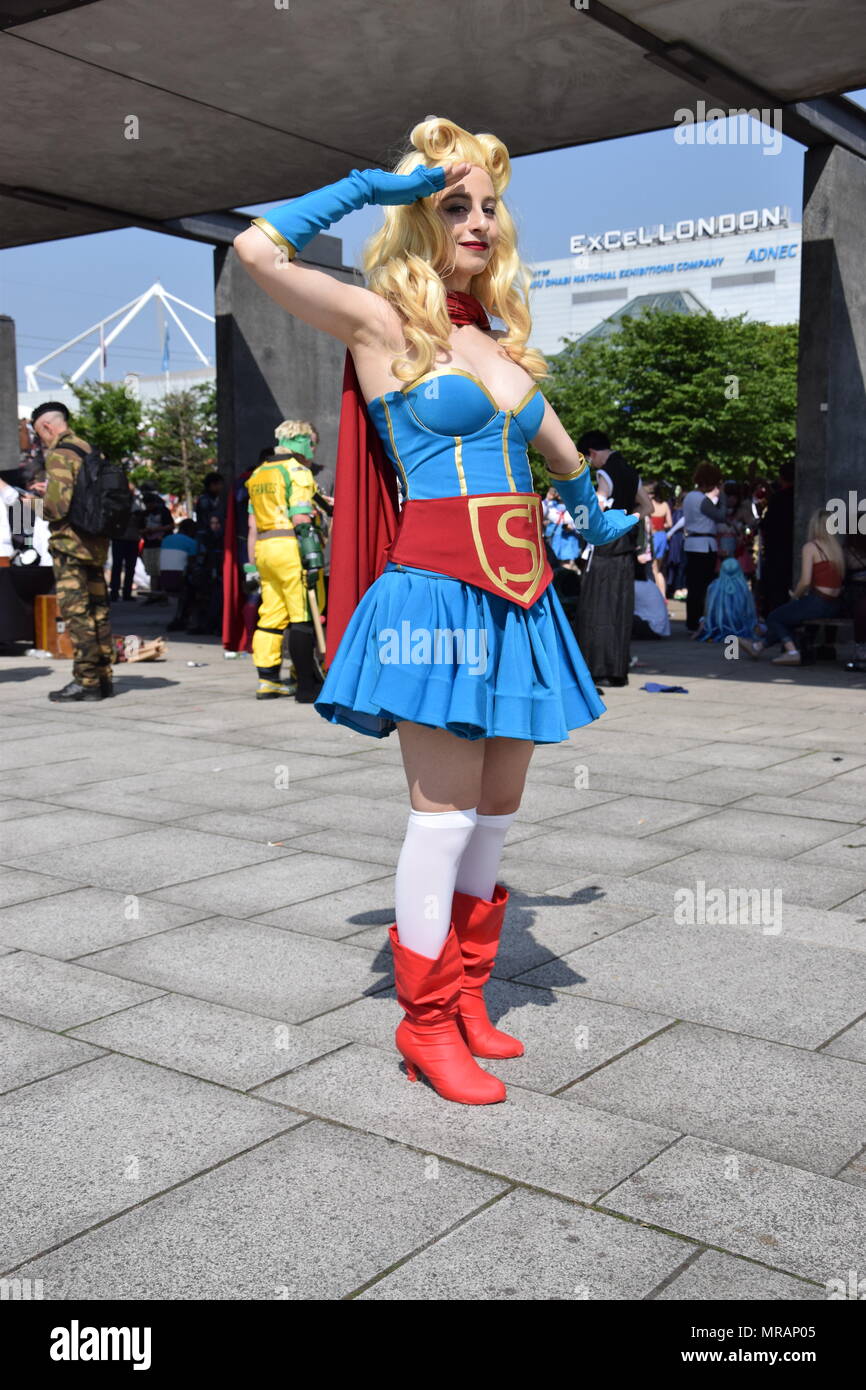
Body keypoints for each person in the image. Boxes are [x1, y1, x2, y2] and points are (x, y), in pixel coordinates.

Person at [233, 115, 637, 1107]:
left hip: (524, 597)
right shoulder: (383, 324)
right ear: (416, 218)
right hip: (437, 595)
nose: (477, 220)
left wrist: (587, 503)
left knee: (494, 822)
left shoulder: (490, 340)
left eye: (488, 205)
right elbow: (254, 250)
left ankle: (463, 999)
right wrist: (371, 182)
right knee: (444, 820)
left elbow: (547, 434)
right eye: (453, 203)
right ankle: (423, 1024)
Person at [30, 401, 114, 701]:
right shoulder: (89, 449)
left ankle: (86, 681)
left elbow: (55, 509)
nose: (42, 440)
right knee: (98, 612)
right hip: (96, 543)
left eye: (40, 435)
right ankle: (104, 677)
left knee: (76, 613)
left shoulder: (61, 454)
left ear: (48, 427)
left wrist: (30, 502)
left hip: (70, 546)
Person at [245, 420, 327, 701]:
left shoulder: (258, 474)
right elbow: (302, 518)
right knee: (302, 614)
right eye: (313, 443)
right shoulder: (297, 472)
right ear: (303, 442)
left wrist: (251, 566)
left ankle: (268, 681)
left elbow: (252, 527)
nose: (314, 449)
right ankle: (306, 684)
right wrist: (313, 556)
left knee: (271, 614)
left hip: (265, 550)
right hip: (291, 547)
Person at [574, 429, 648, 688]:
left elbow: (600, 504)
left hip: (604, 545)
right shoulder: (630, 471)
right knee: (620, 607)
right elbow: (646, 506)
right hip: (625, 547)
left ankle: (596, 668)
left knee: (596, 606)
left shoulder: (604, 473)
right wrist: (629, 521)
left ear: (592, 453)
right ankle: (617, 670)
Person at [740, 508, 843, 665]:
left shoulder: (811, 547)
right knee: (786, 617)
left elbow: (805, 581)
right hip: (833, 605)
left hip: (818, 602)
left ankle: (792, 652)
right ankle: (758, 646)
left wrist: (795, 595)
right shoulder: (836, 549)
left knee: (775, 617)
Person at [682, 461, 725, 631]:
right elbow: (720, 516)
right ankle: (699, 620)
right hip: (705, 545)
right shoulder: (702, 500)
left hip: (692, 543)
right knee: (703, 586)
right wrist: (723, 498)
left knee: (693, 585)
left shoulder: (689, 497)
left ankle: (692, 620)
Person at [696, 556, 759, 643]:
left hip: (717, 626)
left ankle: (701, 631)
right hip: (740, 626)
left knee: (703, 620)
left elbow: (707, 610)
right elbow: (749, 612)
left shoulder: (713, 586)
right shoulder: (743, 587)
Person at [760, 460, 795, 614]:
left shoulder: (778, 499)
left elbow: (767, 525)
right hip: (789, 548)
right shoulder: (795, 497)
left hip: (777, 551)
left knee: (776, 591)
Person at [109, 485, 142, 602]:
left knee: (129, 567)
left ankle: (125, 593)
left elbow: (141, 520)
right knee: (118, 566)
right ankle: (115, 592)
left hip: (131, 538)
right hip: (120, 538)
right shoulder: (117, 504)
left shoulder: (136, 504)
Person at [140, 491, 173, 602]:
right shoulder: (143, 514)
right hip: (149, 544)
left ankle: (164, 594)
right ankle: (154, 594)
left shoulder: (163, 511)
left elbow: (171, 525)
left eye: (150, 503)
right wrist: (145, 531)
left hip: (163, 544)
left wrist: (156, 530)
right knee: (153, 572)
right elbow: (139, 529)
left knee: (163, 571)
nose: (149, 506)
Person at [543, 487, 580, 568]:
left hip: (568, 540)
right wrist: (548, 498)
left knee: (566, 565)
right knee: (553, 564)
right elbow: (541, 512)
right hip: (553, 540)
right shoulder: (551, 505)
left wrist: (572, 527)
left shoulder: (575, 507)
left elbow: (582, 526)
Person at [195, 471, 225, 542]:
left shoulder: (214, 499)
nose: (221, 487)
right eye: (219, 484)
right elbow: (206, 520)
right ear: (212, 485)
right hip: (208, 537)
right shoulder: (204, 500)